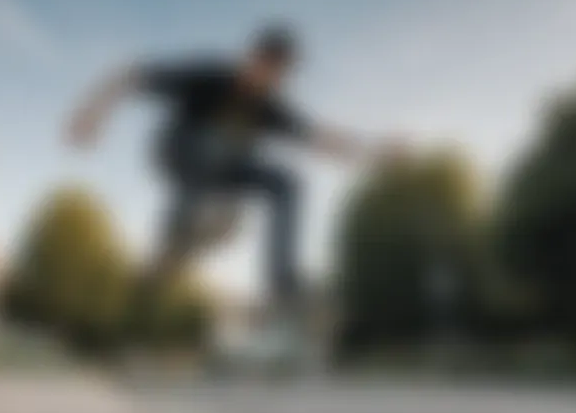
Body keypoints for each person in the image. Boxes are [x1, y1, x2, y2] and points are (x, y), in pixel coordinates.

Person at [66, 23, 404, 363]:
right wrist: (92, 112)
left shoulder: (270, 109)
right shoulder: (210, 78)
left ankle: (282, 285)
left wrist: (374, 153)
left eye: (278, 75)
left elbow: (322, 139)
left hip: (223, 174)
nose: (268, 80)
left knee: (286, 183)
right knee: (214, 147)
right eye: (265, 67)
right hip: (179, 152)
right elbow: (131, 75)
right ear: (251, 58)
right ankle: (181, 225)